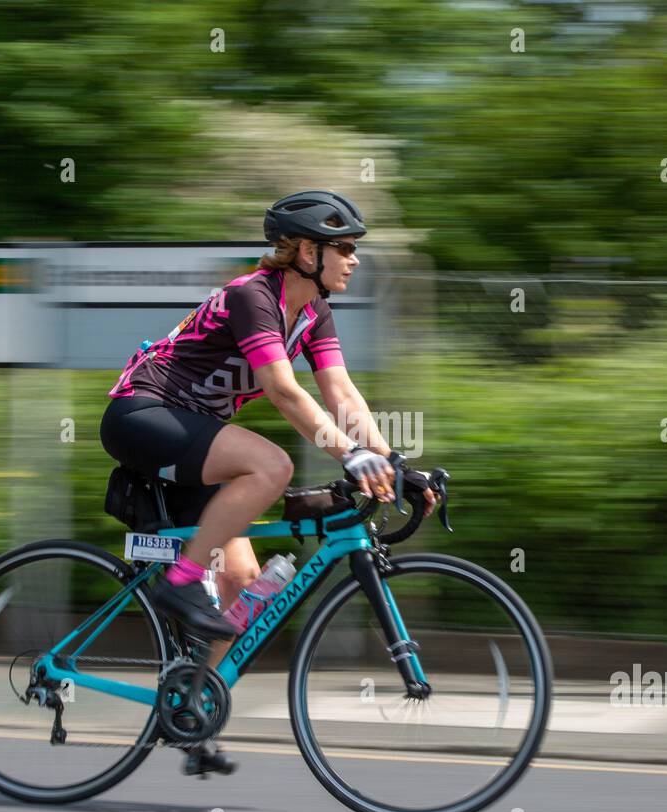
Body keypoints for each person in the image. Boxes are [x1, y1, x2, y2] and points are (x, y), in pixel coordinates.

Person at [100, 190, 435, 776]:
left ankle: (191, 713)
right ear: (306, 250)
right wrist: (348, 455)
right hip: (142, 414)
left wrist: (392, 464)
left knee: (242, 584)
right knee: (272, 466)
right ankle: (179, 581)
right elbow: (283, 391)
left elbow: (343, 396)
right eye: (346, 248)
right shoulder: (252, 296)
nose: (355, 260)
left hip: (190, 431)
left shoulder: (314, 314)